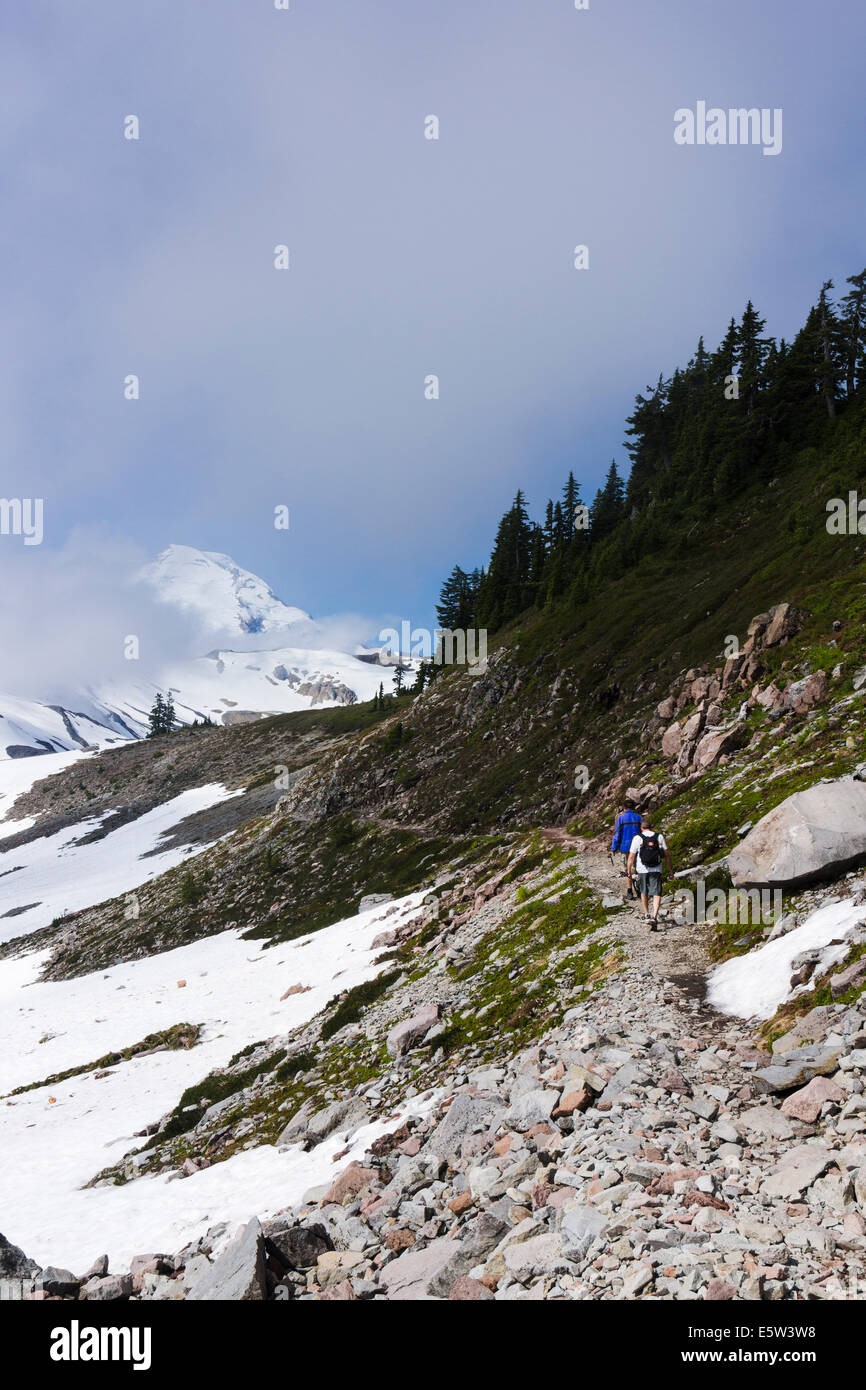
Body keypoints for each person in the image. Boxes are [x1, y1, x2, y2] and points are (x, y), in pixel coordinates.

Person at [627, 820, 673, 930]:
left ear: (641, 828)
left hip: (642, 869)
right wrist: (671, 870)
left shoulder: (637, 837)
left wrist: (628, 871)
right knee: (657, 891)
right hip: (656, 868)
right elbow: (666, 855)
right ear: (651, 827)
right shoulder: (659, 836)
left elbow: (631, 856)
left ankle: (647, 914)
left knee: (644, 890)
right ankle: (654, 916)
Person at [611, 799, 643, 898]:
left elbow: (617, 835)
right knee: (637, 869)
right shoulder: (639, 818)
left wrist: (614, 848)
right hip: (637, 848)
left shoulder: (621, 818)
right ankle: (639, 889)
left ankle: (629, 891)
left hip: (625, 848)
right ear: (633, 807)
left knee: (627, 869)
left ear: (624, 807)